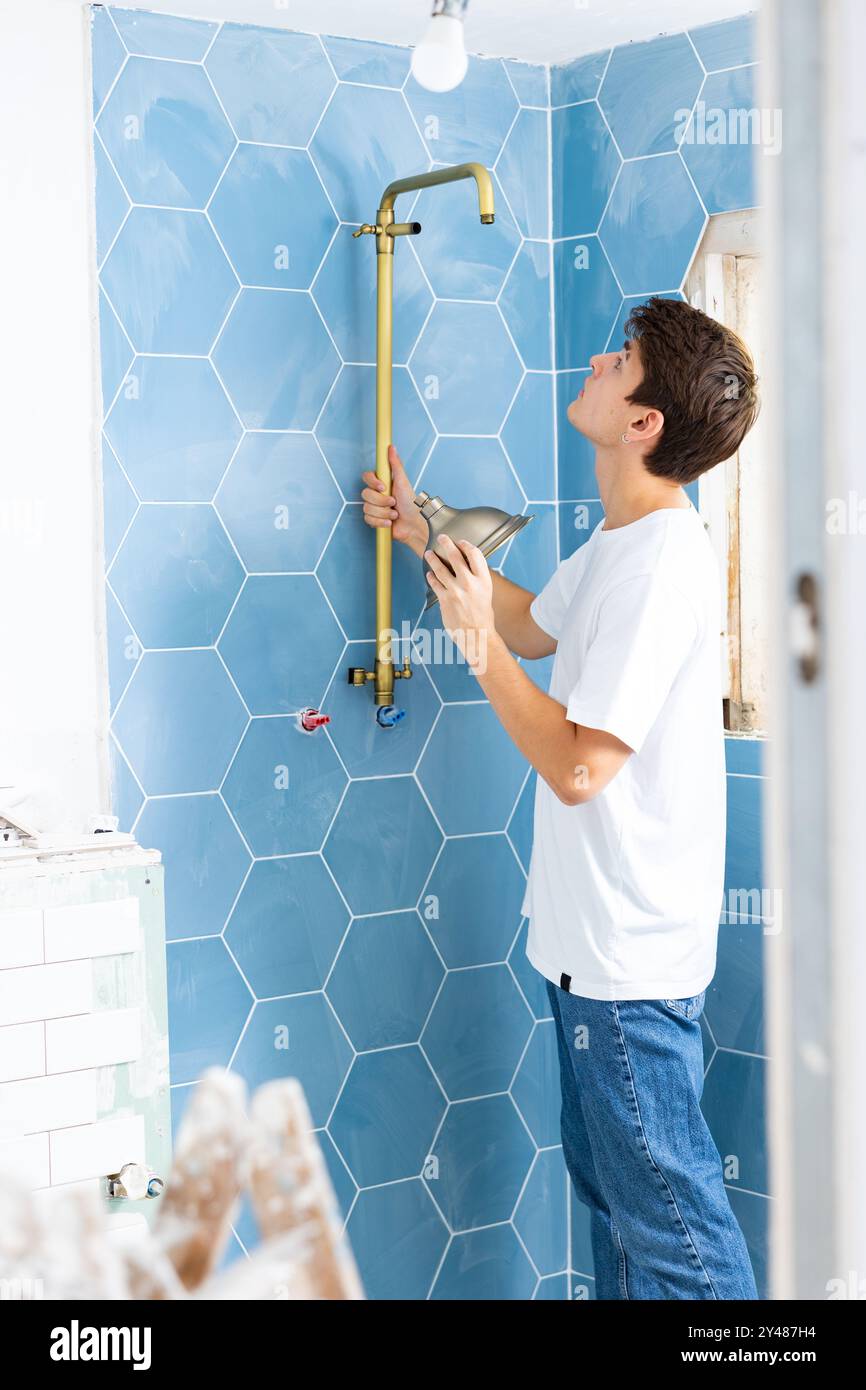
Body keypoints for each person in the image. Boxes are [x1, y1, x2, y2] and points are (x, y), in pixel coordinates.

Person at [361, 296, 760, 1300]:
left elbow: (580, 765)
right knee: (620, 1215)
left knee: (674, 1235)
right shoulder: (621, 542)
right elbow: (534, 623)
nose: (594, 359)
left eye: (617, 359)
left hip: (626, 967)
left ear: (643, 425)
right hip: (591, 955)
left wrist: (472, 645)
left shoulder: (663, 562)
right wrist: (424, 533)